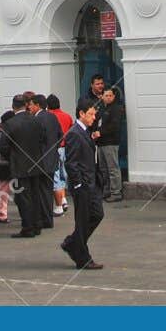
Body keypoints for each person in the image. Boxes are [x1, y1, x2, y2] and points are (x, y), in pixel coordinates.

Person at [60, 95, 105, 270]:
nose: (94, 118)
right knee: (83, 220)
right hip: (83, 186)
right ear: (81, 113)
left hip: (92, 183)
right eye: (91, 114)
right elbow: (71, 162)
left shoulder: (84, 132)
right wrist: (78, 184)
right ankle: (82, 257)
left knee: (96, 215)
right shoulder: (74, 134)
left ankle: (73, 243)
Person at [21, 94, 57, 231]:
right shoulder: (52, 117)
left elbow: (37, 139)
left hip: (40, 161)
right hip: (51, 159)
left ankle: (44, 219)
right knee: (47, 191)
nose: (29, 107)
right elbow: (59, 134)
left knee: (41, 192)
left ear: (37, 105)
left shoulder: (37, 119)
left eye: (31, 105)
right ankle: (48, 218)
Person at [93, 86, 123, 202]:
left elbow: (114, 126)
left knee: (112, 168)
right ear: (102, 97)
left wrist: (100, 132)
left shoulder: (116, 109)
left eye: (110, 95)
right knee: (103, 169)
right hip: (101, 143)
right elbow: (97, 123)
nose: (108, 97)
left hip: (111, 142)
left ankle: (116, 192)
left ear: (114, 97)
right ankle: (107, 190)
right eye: (106, 95)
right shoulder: (101, 109)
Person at [46, 93, 72, 214]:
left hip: (54, 149)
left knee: (55, 176)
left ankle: (59, 204)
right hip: (65, 148)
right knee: (63, 175)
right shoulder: (67, 116)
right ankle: (64, 199)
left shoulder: (49, 117)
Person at [0, 107, 14, 223]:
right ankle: (1, 214)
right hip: (5, 164)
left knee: (3, 188)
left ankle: (1, 213)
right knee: (4, 190)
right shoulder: (4, 133)